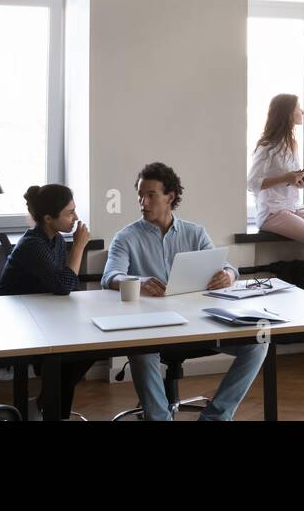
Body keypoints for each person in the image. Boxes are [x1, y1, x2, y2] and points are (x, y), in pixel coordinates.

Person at [101, 163, 268, 421]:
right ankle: (159, 418)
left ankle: (216, 417)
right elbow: (110, 276)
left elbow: (227, 267)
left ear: (170, 197)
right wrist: (139, 280)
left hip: (200, 324)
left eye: (150, 195)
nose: (142, 202)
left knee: (259, 341)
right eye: (139, 195)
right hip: (152, 327)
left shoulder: (195, 233)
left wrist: (228, 275)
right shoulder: (126, 237)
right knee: (140, 350)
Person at [0, 184, 95, 420]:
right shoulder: (33, 245)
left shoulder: (56, 240)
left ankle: (46, 408)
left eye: (74, 210)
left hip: (42, 313)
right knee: (71, 355)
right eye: (69, 213)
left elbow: (63, 286)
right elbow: (64, 284)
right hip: (15, 319)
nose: (76, 218)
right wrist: (80, 246)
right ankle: (48, 410)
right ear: (49, 218)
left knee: (90, 347)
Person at [247, 94, 304, 298]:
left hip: (292, 205)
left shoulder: (291, 143)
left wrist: (297, 180)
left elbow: (287, 178)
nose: (302, 112)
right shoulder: (267, 146)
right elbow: (251, 183)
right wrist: (285, 177)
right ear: (288, 114)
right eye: (299, 108)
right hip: (272, 211)